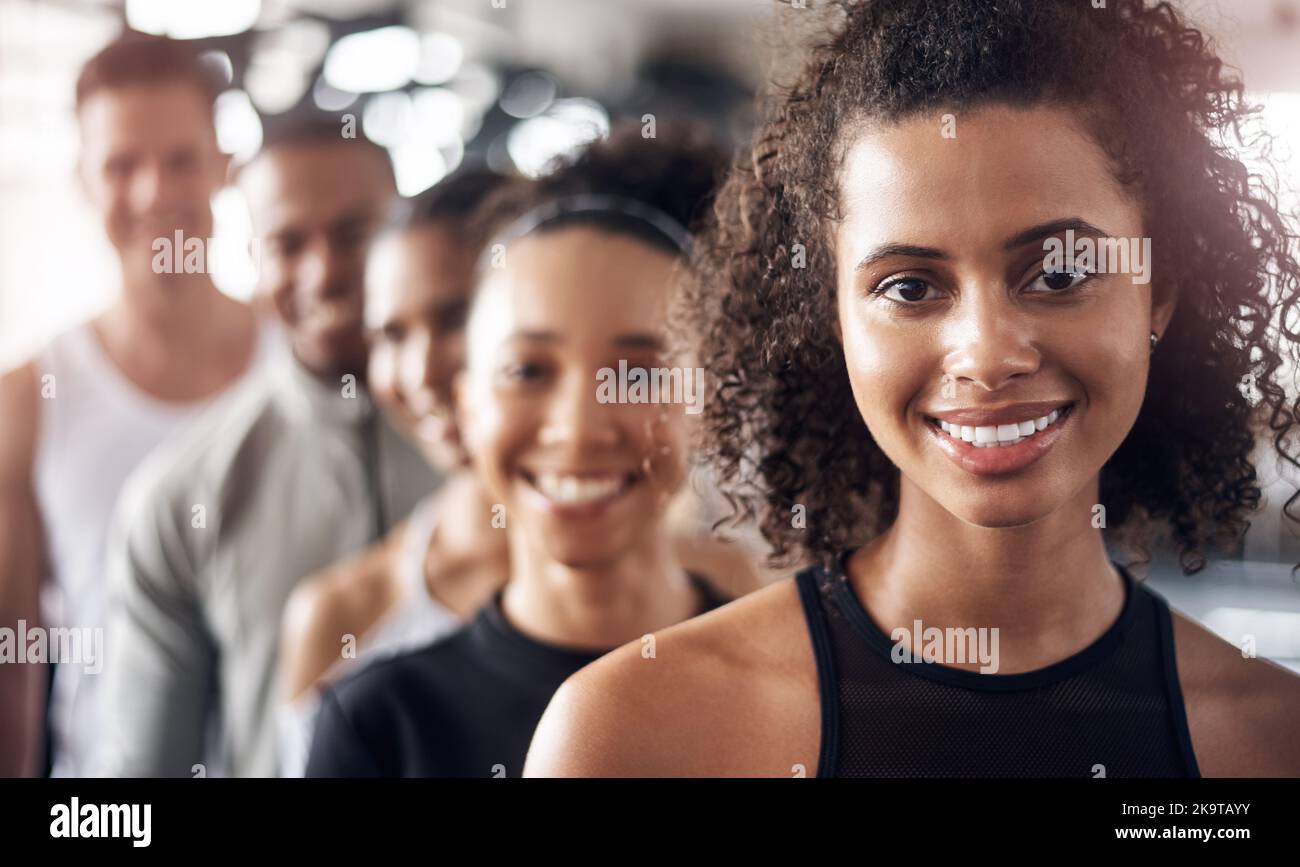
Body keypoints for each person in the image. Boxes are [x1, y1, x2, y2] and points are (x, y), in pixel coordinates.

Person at [525, 0, 1300, 778]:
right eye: (908, 286)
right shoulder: (635, 734)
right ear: (832, 316)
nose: (987, 354)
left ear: (1156, 292)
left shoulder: (1272, 741)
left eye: (1059, 273)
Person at [304, 126, 736, 778]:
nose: (578, 428)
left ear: (707, 403)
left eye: (638, 374)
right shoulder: (379, 722)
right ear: (468, 402)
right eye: (528, 370)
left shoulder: (799, 678)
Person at [102, 117, 437, 778]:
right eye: (287, 243)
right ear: (253, 257)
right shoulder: (180, 496)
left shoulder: (500, 460)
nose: (326, 270)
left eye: (354, 234)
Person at [0, 33, 272, 777]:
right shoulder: (29, 396)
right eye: (122, 165)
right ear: (85, 181)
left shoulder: (304, 359)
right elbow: (11, 665)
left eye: (180, 159)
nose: (155, 191)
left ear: (223, 166)